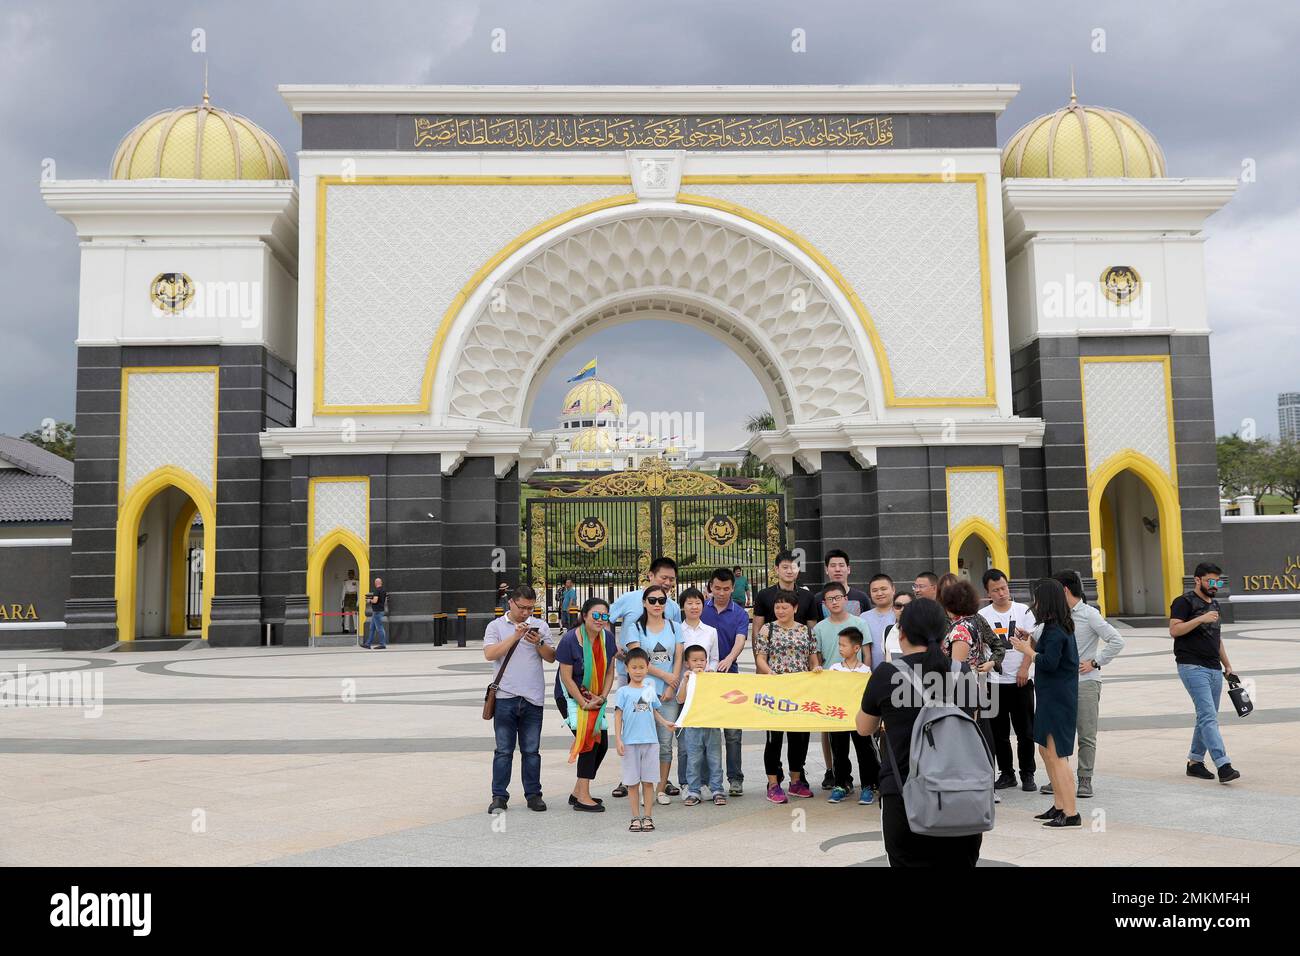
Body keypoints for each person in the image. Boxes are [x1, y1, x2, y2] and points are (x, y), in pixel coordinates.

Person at [857, 598, 983, 866]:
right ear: (944, 632)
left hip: (904, 795)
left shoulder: (887, 673)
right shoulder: (962, 672)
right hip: (962, 794)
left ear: (901, 633)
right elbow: (970, 720)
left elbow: (864, 727)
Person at [1046, 570, 1125, 799]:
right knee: (1060, 733)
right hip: (1061, 684)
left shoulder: (1089, 614)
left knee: (1086, 734)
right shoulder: (1056, 615)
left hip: (1086, 683)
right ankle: (1061, 778)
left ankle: (1085, 779)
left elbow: (1117, 640)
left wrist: (1096, 662)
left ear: (1064, 590)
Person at [607, 557, 680, 799]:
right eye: (663, 578)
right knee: (635, 732)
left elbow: (677, 645)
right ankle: (629, 779)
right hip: (632, 678)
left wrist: (672, 680)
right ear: (650, 575)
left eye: (671, 579)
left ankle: (660, 781)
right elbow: (606, 618)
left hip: (665, 685)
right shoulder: (628, 599)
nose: (667, 583)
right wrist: (614, 648)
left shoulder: (673, 608)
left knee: (662, 738)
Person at [1010, 578, 1081, 828]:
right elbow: (1052, 655)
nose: (1034, 604)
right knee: (1045, 750)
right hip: (1052, 696)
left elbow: (1049, 662)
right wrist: (1030, 642)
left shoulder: (1057, 629)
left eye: (1037, 598)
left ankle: (1070, 812)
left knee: (1057, 754)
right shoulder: (1055, 627)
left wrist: (1025, 650)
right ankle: (1059, 805)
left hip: (1058, 699)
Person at [483, 586, 555, 814]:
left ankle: (533, 795)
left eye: (530, 608)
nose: (525, 613)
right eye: (522, 607)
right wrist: (515, 635)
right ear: (511, 603)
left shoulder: (541, 626)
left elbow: (552, 658)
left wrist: (538, 643)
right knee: (503, 750)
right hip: (505, 696)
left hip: (533, 697)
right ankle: (499, 796)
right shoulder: (495, 626)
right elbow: (490, 654)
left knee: (531, 751)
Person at [1169, 562, 1241, 784]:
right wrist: (1200, 618)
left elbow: (1216, 638)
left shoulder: (1216, 604)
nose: (1214, 585)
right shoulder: (1183, 602)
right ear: (1198, 580)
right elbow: (1174, 630)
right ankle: (1223, 765)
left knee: (1207, 716)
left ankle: (1195, 762)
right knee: (1208, 716)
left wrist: (1227, 665)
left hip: (1214, 668)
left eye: (1217, 581)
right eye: (1211, 581)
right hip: (1192, 666)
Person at [754, 591, 822, 804]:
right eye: (777, 607)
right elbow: (760, 658)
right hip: (775, 692)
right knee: (774, 739)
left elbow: (812, 658)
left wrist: (816, 668)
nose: (780, 611)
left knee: (799, 738)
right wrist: (769, 673)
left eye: (785, 607)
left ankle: (796, 780)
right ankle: (773, 784)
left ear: (795, 608)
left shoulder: (806, 631)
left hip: (800, 692)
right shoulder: (768, 629)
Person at [977, 569, 1039, 792]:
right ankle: (1007, 773)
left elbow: (1032, 641)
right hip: (994, 682)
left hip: (1021, 680)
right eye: (996, 590)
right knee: (998, 733)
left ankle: (1028, 773)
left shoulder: (1024, 611)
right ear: (988, 592)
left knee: (1026, 731)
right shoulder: (983, 615)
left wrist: (1024, 668)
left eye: (1004, 587)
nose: (1002, 593)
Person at [623, 584, 685, 805]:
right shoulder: (635, 628)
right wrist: (664, 676)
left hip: (668, 693)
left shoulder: (675, 626)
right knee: (644, 741)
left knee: (665, 742)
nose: (657, 604)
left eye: (661, 600)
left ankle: (661, 787)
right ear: (644, 602)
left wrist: (672, 682)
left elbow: (679, 657)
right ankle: (644, 787)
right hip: (643, 691)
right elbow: (637, 661)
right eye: (652, 600)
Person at [555, 598, 618, 812]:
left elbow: (610, 670)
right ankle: (583, 797)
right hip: (570, 696)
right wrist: (582, 702)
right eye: (596, 615)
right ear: (584, 616)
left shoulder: (608, 638)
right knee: (589, 739)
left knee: (602, 745)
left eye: (605, 616)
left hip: (595, 696)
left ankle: (578, 790)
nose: (600, 620)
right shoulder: (570, 640)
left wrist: (602, 696)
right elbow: (566, 677)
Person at [614, 647, 679, 832]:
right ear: (626, 668)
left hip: (650, 742)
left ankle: (648, 817)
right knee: (632, 782)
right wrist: (618, 739)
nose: (638, 671)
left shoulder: (649, 690)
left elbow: (655, 711)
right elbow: (618, 716)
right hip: (630, 743)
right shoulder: (623, 692)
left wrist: (665, 722)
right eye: (634, 667)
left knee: (648, 782)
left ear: (647, 667)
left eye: (641, 667)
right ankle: (635, 817)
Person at [812, 581, 869, 789]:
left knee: (862, 738)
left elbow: (867, 654)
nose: (834, 602)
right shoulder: (819, 628)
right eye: (829, 599)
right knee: (837, 739)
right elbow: (816, 657)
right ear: (824, 603)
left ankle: (868, 784)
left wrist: (865, 678)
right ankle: (841, 780)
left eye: (838, 597)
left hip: (856, 690)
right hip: (833, 689)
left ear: (846, 599)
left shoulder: (859, 624)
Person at [701, 567, 750, 796]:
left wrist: (729, 659)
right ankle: (705, 778)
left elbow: (740, 640)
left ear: (733, 588)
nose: (721, 593)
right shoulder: (700, 609)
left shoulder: (739, 613)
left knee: (732, 732)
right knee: (705, 730)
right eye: (717, 588)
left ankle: (735, 778)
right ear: (710, 587)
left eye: (726, 589)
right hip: (705, 678)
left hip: (730, 677)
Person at [827, 627, 878, 806]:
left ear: (856, 648)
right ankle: (841, 784)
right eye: (839, 644)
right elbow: (827, 688)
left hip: (860, 719)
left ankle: (867, 786)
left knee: (865, 752)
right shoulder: (834, 669)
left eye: (843, 645)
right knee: (839, 752)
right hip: (838, 718)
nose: (840, 648)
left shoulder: (865, 671)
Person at [676, 644, 726, 806]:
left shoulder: (711, 676)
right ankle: (694, 790)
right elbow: (680, 699)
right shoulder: (688, 678)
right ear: (687, 663)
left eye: (702, 660)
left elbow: (721, 698)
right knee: (694, 759)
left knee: (715, 759)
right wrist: (686, 680)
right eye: (694, 660)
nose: (699, 663)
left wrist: (712, 678)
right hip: (693, 726)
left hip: (711, 725)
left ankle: (717, 789)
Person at [752, 550, 819, 642]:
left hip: (801, 651)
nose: (789, 571)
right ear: (776, 569)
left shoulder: (808, 596)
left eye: (793, 567)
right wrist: (759, 655)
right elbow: (757, 631)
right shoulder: (763, 595)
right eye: (785, 567)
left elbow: (812, 632)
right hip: (771, 652)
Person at [815, 549, 871, 616]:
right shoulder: (818, 599)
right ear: (826, 570)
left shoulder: (862, 597)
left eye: (841, 565)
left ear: (848, 569)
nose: (837, 569)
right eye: (833, 566)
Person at [679, 587, 719, 671]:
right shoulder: (676, 631)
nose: (694, 607)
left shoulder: (711, 631)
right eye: (690, 603)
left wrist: (711, 670)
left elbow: (714, 659)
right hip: (683, 681)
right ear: (682, 606)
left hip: (704, 681)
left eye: (698, 603)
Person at [884, 592, 912, 661]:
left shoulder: (922, 632)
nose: (902, 609)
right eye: (898, 606)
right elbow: (886, 659)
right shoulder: (888, 630)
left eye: (907, 606)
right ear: (893, 609)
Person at [361, 577, 387, 649]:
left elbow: (375, 601)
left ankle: (382, 644)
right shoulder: (383, 590)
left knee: (379, 628)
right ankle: (368, 644)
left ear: (376, 583)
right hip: (380, 610)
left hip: (377, 612)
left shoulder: (377, 590)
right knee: (372, 628)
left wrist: (369, 600)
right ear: (381, 583)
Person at [340, 569, 360, 634]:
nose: (350, 575)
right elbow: (343, 591)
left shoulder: (356, 581)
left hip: (354, 597)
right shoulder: (345, 582)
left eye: (351, 574)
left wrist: (358, 601)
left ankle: (356, 628)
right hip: (347, 597)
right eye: (349, 574)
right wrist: (342, 600)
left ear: (353, 574)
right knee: (347, 614)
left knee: (354, 614)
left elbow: (358, 591)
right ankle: (346, 629)